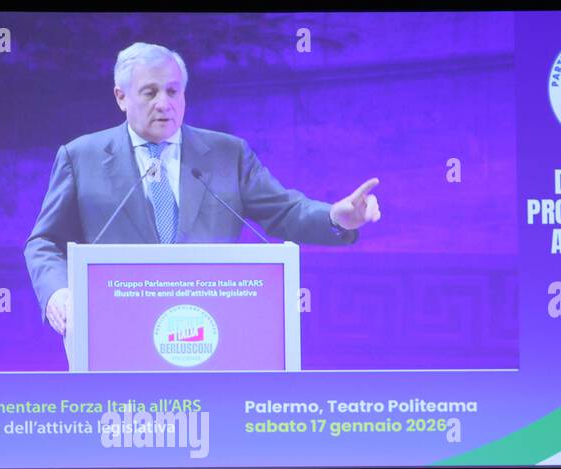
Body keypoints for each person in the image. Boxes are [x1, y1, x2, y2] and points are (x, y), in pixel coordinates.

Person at [25, 41, 383, 336]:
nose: (163, 102)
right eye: (149, 92)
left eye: (172, 91)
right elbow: (44, 242)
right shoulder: (81, 157)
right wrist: (59, 292)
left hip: (210, 326)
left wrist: (336, 217)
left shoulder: (228, 154)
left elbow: (285, 212)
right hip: (112, 329)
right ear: (121, 97)